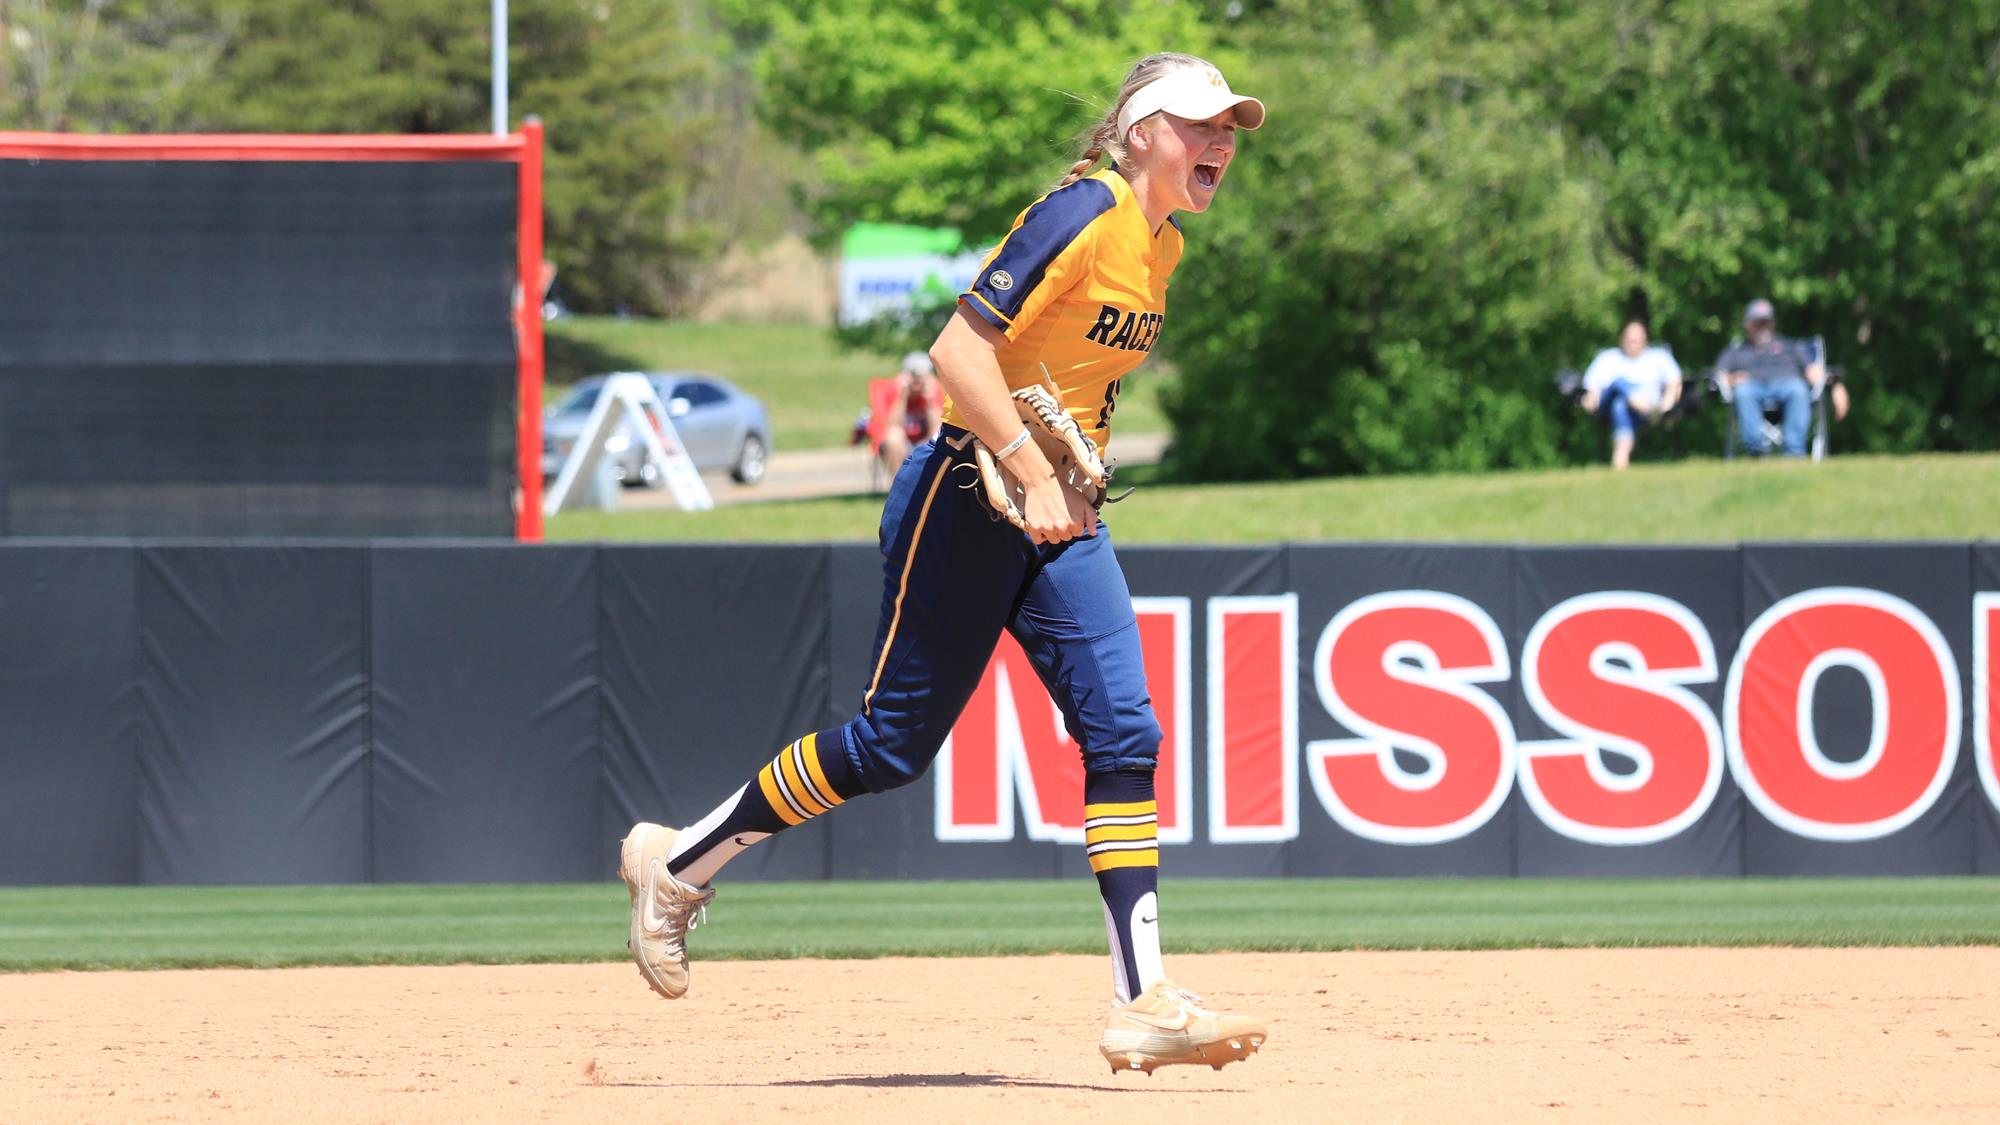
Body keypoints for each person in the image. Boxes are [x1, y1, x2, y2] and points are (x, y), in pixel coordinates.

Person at [618, 52, 1269, 1076]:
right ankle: (679, 864)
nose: (1220, 141)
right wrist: (1022, 459)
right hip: (968, 491)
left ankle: (1141, 998)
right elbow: (955, 353)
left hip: (1060, 513)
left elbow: (1068, 375)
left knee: (1124, 731)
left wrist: (1065, 470)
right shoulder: (1079, 212)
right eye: (1199, 124)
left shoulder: (1162, 248)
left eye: (1231, 127)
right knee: (888, 748)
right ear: (1139, 130)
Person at [1716, 298, 1825, 457]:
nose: (1763, 327)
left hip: (1787, 386)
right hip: (1752, 387)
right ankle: (1756, 452)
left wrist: (1835, 385)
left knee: (1798, 390)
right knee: (1743, 392)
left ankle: (1794, 454)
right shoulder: (1736, 350)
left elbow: (1814, 370)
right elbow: (1720, 374)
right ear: (1748, 324)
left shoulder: (1790, 346)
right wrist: (1732, 380)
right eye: (1758, 322)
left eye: (1766, 322)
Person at [1579, 320, 1682, 469]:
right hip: (1606, 405)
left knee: (1620, 404)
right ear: (1621, 339)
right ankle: (1644, 407)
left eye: (1636, 341)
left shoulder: (1659, 357)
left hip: (1640, 408)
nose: (1632, 344)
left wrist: (1667, 406)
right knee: (1619, 382)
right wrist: (1589, 398)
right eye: (1629, 340)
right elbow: (1592, 385)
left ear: (1644, 340)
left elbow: (1674, 383)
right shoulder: (1608, 358)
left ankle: (1620, 457)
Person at [875, 351, 946, 477]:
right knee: (894, 436)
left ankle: (929, 488)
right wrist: (903, 395)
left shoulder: (933, 389)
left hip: (924, 441)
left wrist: (929, 399)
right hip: (901, 444)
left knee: (937, 434)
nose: (917, 380)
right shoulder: (893, 390)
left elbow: (938, 428)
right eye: (913, 375)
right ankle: (899, 486)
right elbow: (891, 425)